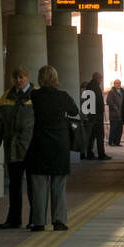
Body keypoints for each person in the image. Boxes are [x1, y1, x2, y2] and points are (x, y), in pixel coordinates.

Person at [25, 65, 77, 231]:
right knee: (58, 184)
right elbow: (74, 110)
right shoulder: (62, 96)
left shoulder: (35, 95)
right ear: (55, 78)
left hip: (40, 143)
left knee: (39, 184)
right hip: (60, 143)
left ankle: (39, 221)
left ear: (40, 78)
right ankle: (59, 221)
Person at [0, 67, 35, 229]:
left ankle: (35, 218)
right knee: (14, 186)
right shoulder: (5, 98)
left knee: (33, 186)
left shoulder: (36, 96)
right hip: (12, 148)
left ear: (27, 78)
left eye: (21, 77)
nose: (19, 81)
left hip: (31, 149)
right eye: (16, 78)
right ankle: (14, 219)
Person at [81, 72, 109, 160]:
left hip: (91, 114)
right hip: (96, 115)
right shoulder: (95, 87)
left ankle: (89, 153)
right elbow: (98, 102)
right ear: (98, 78)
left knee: (92, 135)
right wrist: (101, 111)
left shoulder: (90, 86)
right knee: (99, 135)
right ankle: (101, 154)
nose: (101, 80)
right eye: (101, 78)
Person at [107, 78, 124, 147]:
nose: (118, 84)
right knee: (113, 129)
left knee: (120, 129)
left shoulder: (123, 91)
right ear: (114, 84)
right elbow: (109, 101)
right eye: (117, 83)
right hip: (114, 114)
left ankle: (117, 142)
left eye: (119, 83)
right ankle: (111, 142)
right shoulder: (111, 92)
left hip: (121, 114)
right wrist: (115, 108)